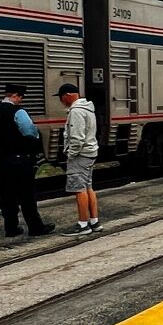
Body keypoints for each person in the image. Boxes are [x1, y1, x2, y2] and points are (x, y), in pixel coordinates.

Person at [0, 83, 53, 239]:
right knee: (27, 195)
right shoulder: (19, 112)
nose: (21, 101)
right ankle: (35, 227)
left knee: (7, 194)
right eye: (21, 97)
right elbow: (31, 133)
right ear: (15, 95)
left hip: (0, 161)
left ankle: (11, 228)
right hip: (19, 160)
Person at [57, 83, 100, 234]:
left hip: (80, 155)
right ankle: (94, 221)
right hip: (90, 152)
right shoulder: (88, 108)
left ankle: (83, 224)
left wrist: (71, 154)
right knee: (88, 187)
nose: (62, 102)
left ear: (67, 95)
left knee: (79, 188)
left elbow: (77, 137)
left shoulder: (76, 111)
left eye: (61, 98)